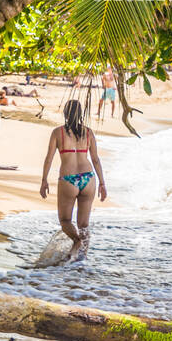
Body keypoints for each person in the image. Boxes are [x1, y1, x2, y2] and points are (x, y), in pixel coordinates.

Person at [39, 99, 107, 261]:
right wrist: (102, 183)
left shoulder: (58, 132)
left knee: (65, 221)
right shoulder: (88, 132)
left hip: (69, 179)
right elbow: (95, 159)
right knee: (84, 225)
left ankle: (76, 242)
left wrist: (44, 180)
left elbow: (49, 158)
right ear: (81, 114)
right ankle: (80, 261)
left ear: (65, 114)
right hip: (88, 178)